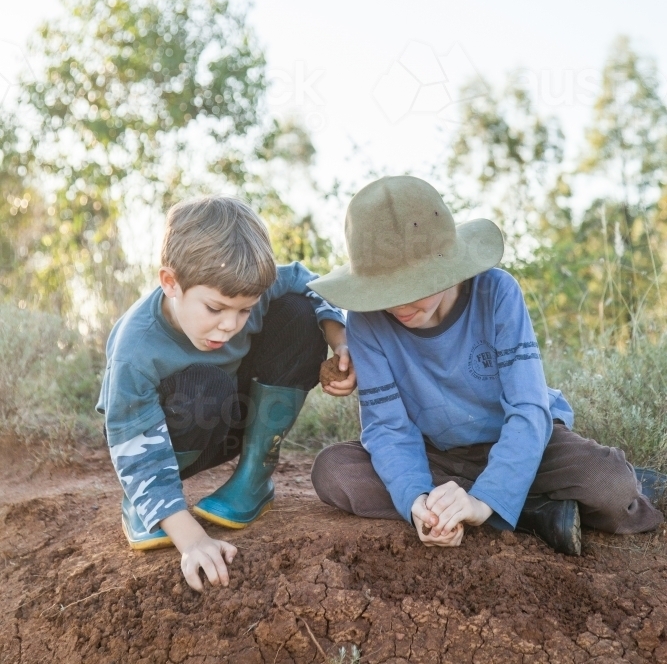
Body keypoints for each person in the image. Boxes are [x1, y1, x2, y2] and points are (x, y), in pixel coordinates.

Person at [309, 175, 665, 555]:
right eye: (386, 290)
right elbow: (388, 429)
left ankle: (498, 501)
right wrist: (417, 504)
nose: (400, 304)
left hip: (518, 439)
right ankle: (529, 510)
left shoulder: (497, 292)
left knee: (609, 485)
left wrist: (482, 500)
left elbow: (528, 409)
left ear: (448, 264)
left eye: (416, 285)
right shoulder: (365, 321)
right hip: (435, 453)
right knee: (334, 472)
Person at [97, 195, 355, 590]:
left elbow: (311, 282)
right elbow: (131, 445)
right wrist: (192, 539)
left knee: (300, 311)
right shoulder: (135, 348)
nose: (229, 325)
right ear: (171, 283)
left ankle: (254, 478)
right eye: (215, 309)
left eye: (244, 310)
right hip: (158, 441)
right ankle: (148, 506)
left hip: (233, 421)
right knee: (203, 386)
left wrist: (340, 341)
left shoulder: (243, 291)